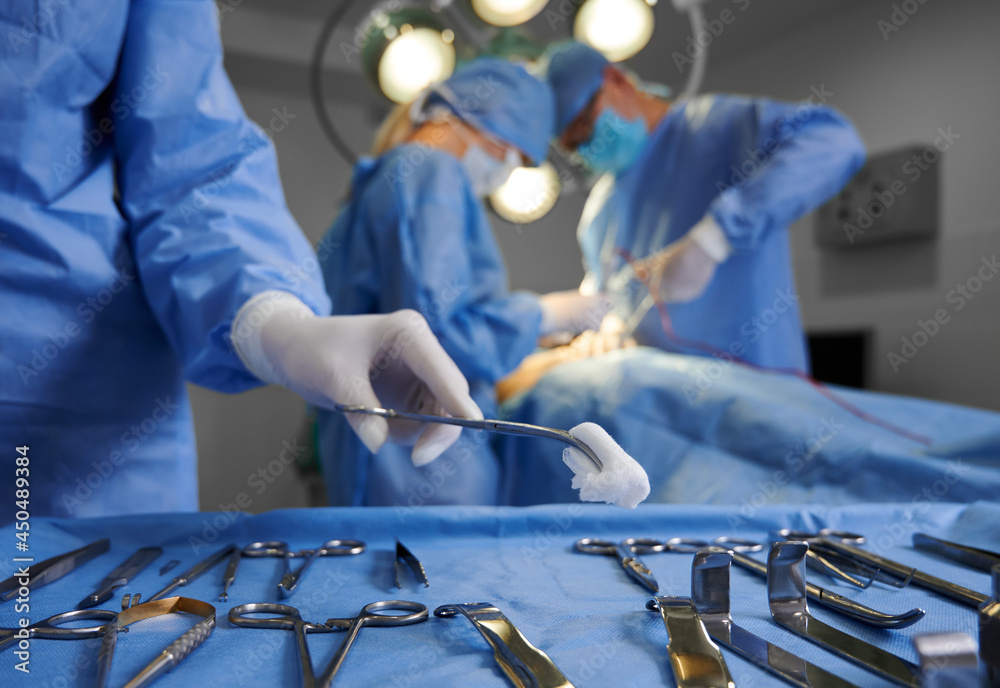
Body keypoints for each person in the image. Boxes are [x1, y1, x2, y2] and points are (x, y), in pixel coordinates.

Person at [0, 0, 480, 520]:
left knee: (98, 596)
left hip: (65, 427)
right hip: (57, 392)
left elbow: (191, 168)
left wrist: (279, 327)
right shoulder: (428, 179)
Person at [315, 59, 608, 506]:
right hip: (424, 463)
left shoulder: (383, 179)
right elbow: (435, 335)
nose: (509, 169)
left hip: (376, 452)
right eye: (516, 155)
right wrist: (542, 315)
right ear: (485, 128)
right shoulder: (429, 173)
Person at [540, 41, 867, 371]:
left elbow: (833, 143)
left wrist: (712, 240)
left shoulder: (714, 129)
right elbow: (606, 301)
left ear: (617, 81)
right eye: (571, 143)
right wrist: (604, 324)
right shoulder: (600, 213)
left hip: (758, 389)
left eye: (584, 122)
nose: (586, 144)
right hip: (656, 403)